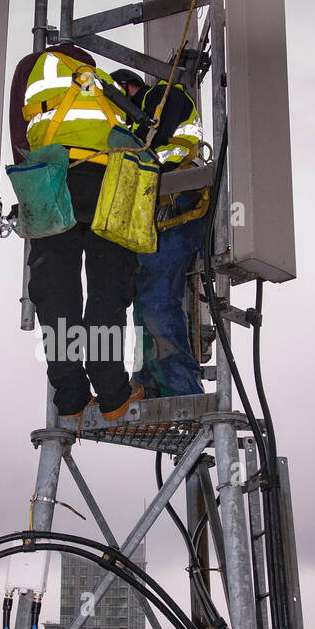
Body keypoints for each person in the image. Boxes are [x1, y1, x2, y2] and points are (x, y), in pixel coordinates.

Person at [9, 46, 146, 423]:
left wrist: (30, 189)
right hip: (106, 183)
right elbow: (135, 138)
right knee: (107, 285)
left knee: (56, 293)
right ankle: (113, 392)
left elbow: (19, 136)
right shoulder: (102, 85)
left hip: (51, 181)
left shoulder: (31, 70)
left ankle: (70, 396)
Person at [111, 70, 206, 399]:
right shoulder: (136, 123)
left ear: (128, 87)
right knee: (143, 304)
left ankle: (183, 392)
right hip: (159, 211)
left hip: (178, 203)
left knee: (156, 302)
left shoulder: (163, 96)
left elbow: (157, 138)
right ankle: (150, 385)